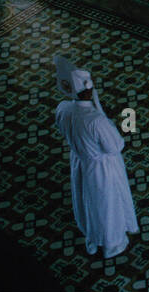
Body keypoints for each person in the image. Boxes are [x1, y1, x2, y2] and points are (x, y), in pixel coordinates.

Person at [53, 63, 138, 260]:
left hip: (80, 162)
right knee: (106, 204)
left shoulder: (63, 109)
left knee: (86, 200)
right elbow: (115, 146)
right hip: (101, 167)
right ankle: (112, 244)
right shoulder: (95, 120)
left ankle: (91, 235)